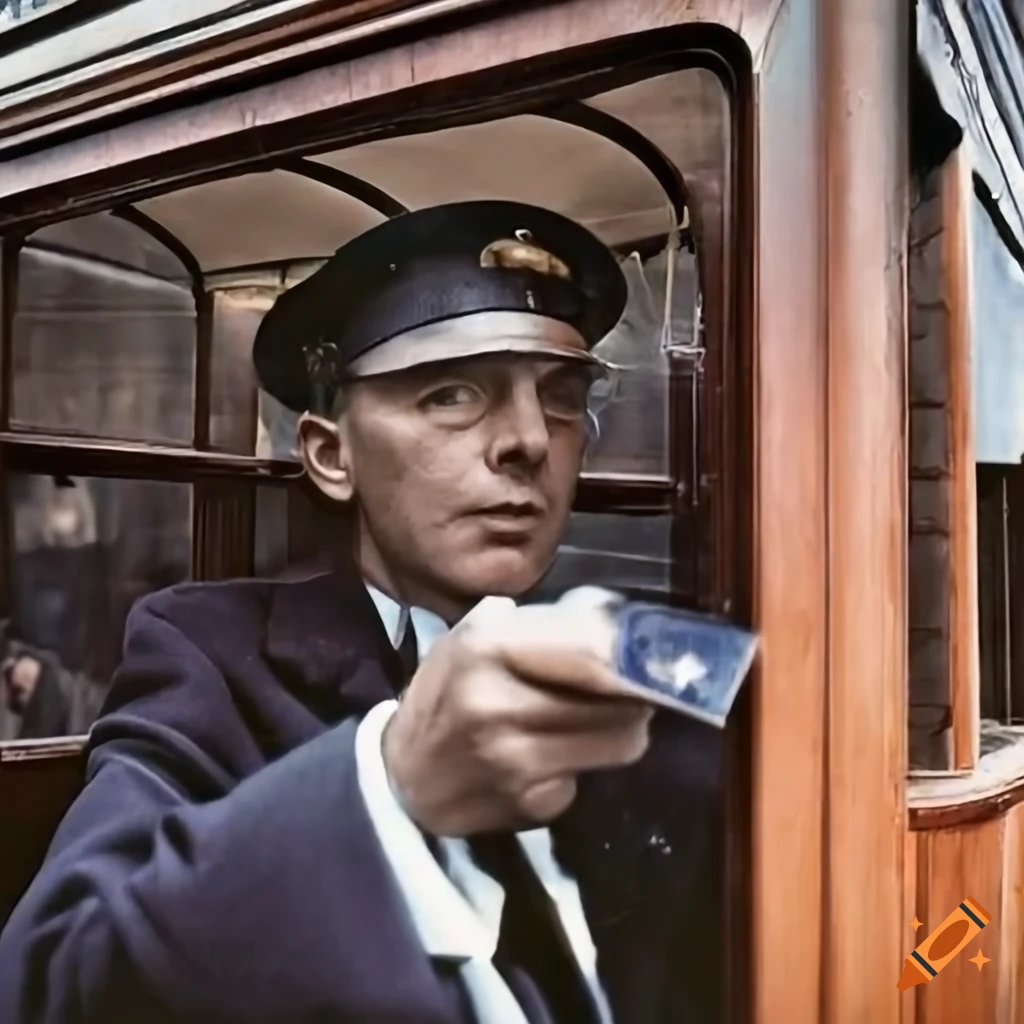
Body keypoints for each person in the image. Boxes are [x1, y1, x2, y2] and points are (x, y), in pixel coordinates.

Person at [0, 200, 723, 1023]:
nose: (528, 438)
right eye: (453, 394)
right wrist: (389, 786)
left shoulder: (634, 652)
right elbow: (50, 984)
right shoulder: (210, 653)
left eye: (561, 395)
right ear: (331, 456)